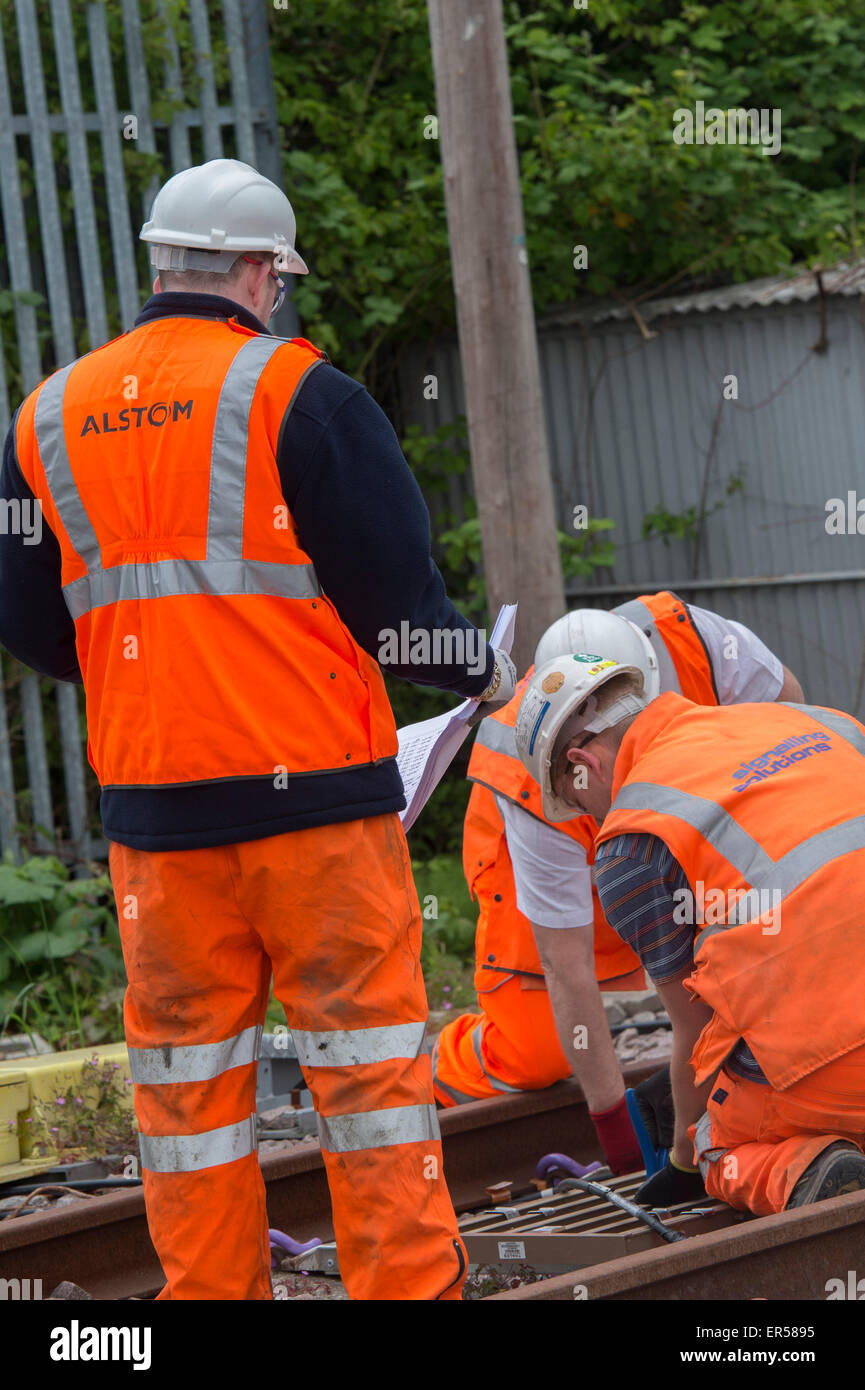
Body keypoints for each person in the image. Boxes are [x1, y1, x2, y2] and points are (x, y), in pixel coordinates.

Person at [0, 158, 517, 1300]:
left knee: (187, 1101)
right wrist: (487, 667)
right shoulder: (304, 394)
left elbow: (38, 636)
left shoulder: (43, 417)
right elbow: (403, 623)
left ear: (157, 263)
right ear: (252, 273)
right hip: (318, 820)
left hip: (157, 831)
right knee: (369, 1077)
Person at [432, 591, 803, 1177]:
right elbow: (566, 962)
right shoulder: (530, 783)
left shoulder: (700, 645)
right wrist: (615, 1125)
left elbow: (789, 721)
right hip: (539, 831)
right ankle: (438, 1063)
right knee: (535, 1052)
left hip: (692, 819)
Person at [514, 654, 865, 1214]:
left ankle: (810, 1168)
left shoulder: (631, 843)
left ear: (583, 763)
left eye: (581, 804)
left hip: (842, 1066)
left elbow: (695, 1031)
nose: (596, 818)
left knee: (715, 1140)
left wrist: (683, 1154)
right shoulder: (820, 722)